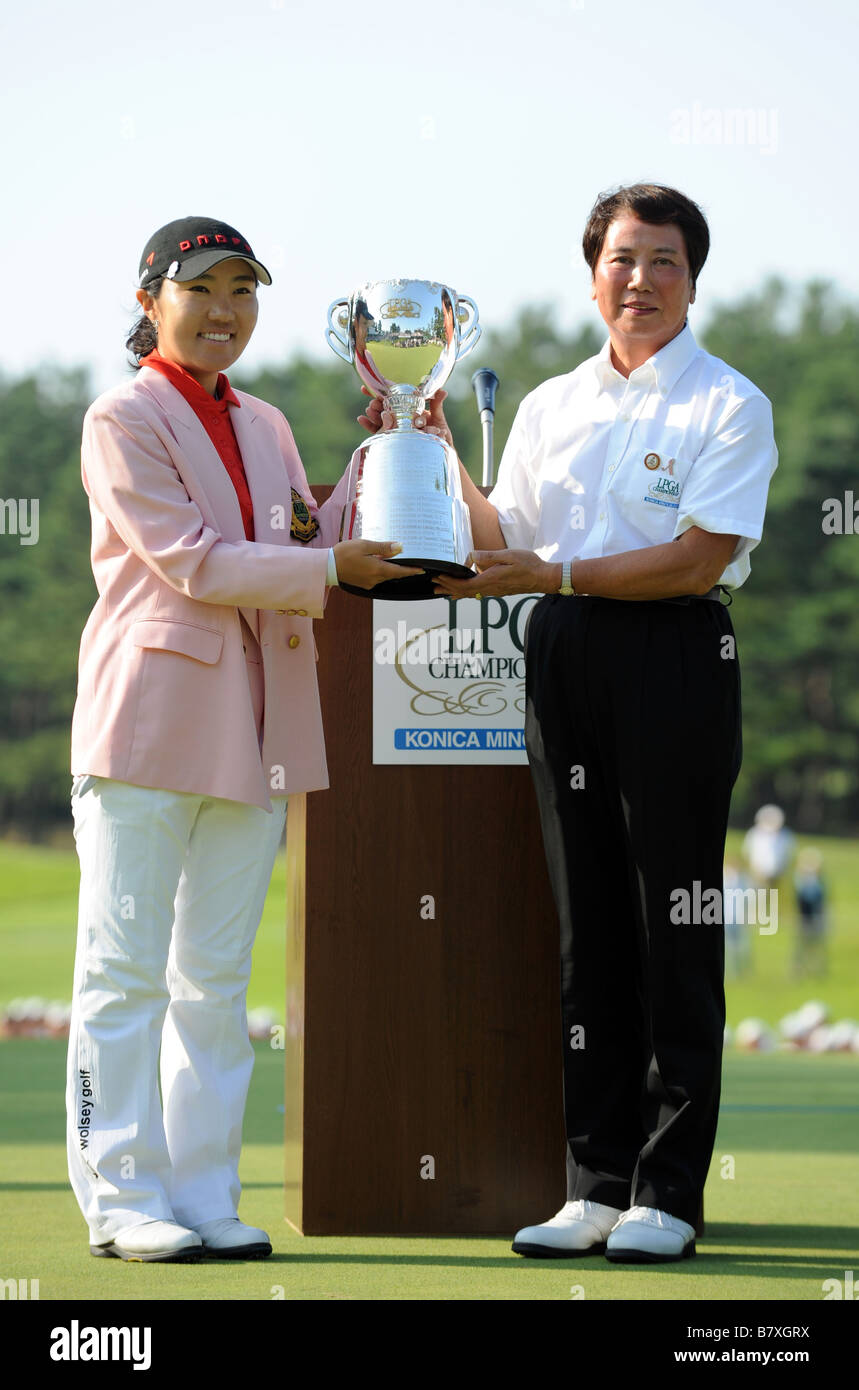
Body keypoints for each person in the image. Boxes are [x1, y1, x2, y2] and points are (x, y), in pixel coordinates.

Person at [370, 183, 778, 1262]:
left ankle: (668, 1189)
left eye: (664, 262)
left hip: (674, 651)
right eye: (621, 259)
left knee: (667, 924)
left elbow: (697, 555)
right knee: (583, 925)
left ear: (693, 278)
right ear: (590, 270)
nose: (640, 280)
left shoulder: (728, 403)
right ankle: (594, 1181)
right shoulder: (553, 401)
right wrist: (433, 442)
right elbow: (504, 530)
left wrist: (551, 570)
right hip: (562, 649)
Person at [67, 216, 419, 1264]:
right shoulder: (119, 416)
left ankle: (204, 1192)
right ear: (150, 301)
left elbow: (303, 538)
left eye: (243, 291)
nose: (224, 310)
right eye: (202, 289)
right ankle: (122, 1197)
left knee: (213, 984)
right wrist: (329, 569)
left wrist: (388, 449)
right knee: (124, 975)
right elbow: (197, 561)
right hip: (148, 728)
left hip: (259, 728)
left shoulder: (264, 422)